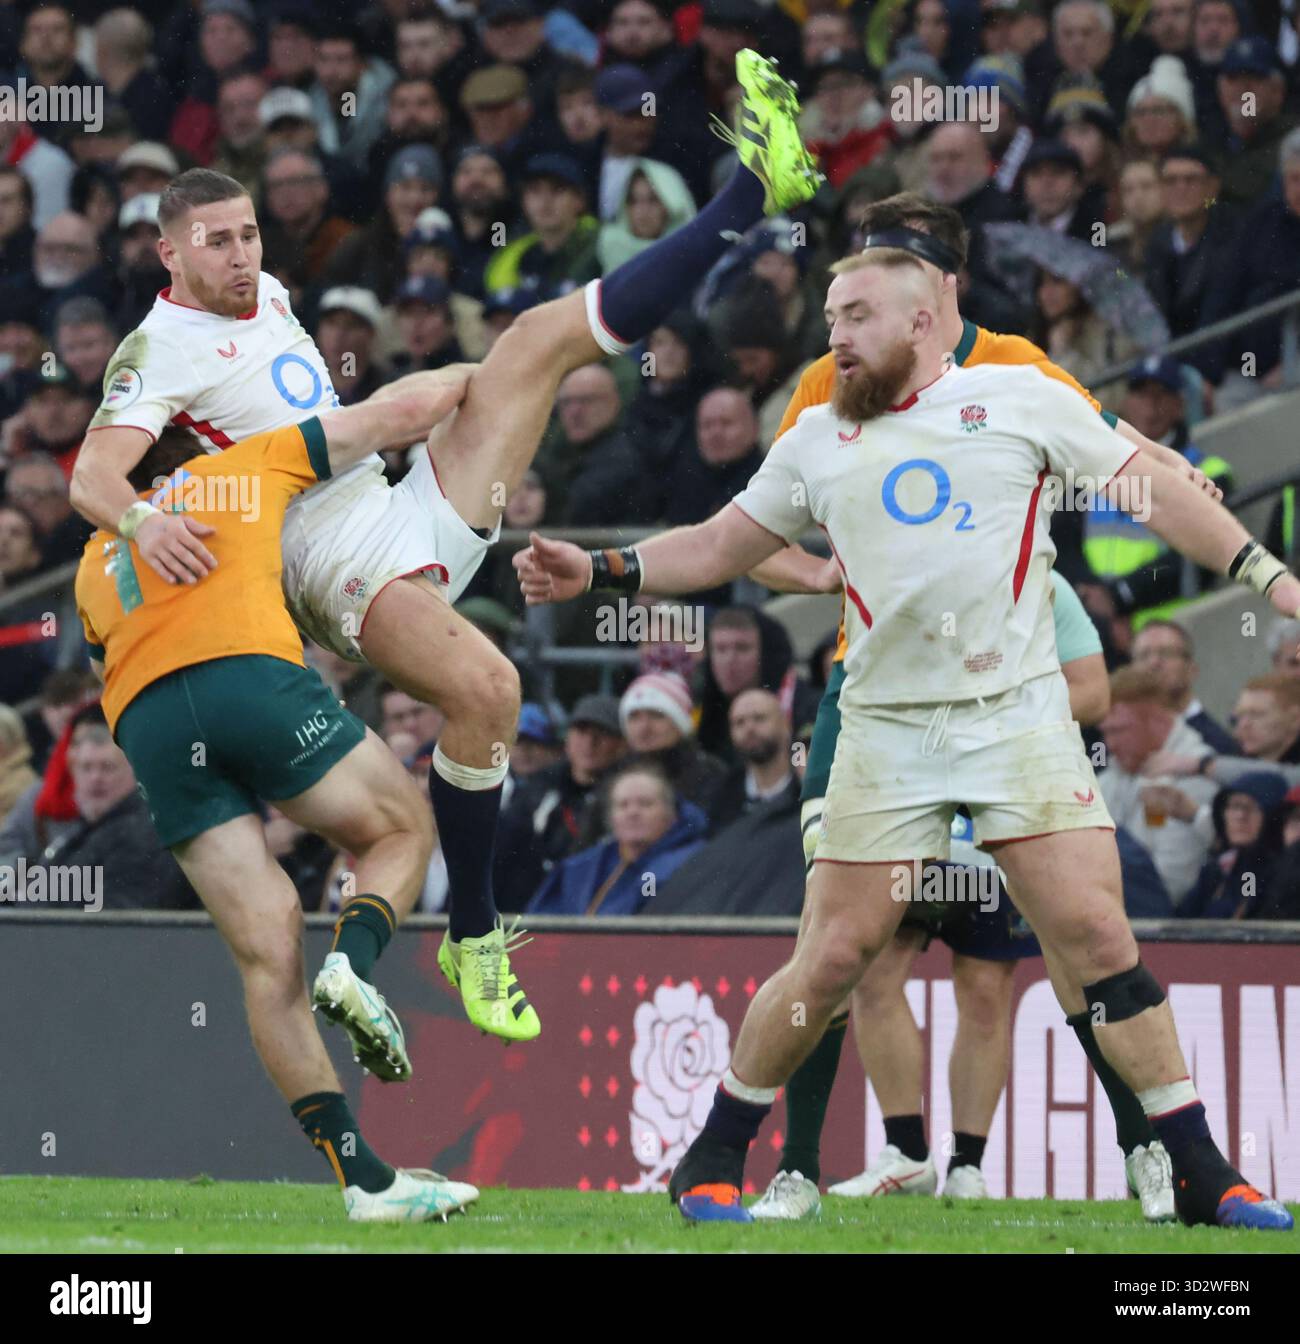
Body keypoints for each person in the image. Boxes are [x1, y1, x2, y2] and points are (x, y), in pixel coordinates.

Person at [513, 244, 1298, 1230]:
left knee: (1097, 936)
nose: (834, 335)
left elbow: (1155, 489)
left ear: (922, 320)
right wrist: (602, 573)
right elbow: (720, 545)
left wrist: (1270, 579)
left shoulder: (1020, 398)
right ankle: (712, 1158)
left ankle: (1198, 1171)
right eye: (830, 316)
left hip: (1016, 714)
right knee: (834, 956)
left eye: (855, 316)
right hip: (887, 729)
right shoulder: (812, 439)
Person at [71, 49, 819, 1040]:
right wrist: (143, 518)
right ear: (170, 254)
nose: (241, 256)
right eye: (215, 243)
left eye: (250, 234)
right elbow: (89, 474)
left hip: (390, 503)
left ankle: (748, 195)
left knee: (536, 344)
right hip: (318, 557)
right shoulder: (156, 348)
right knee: (491, 690)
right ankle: (473, 935)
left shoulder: (273, 296)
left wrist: (422, 409)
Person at [76, 365, 482, 1219]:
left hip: (148, 723)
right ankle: (357, 963)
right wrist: (488, 372)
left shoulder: (91, 558)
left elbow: (102, 654)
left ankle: (363, 1181)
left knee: (266, 952)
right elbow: (394, 415)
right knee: (401, 827)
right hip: (245, 676)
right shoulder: (250, 459)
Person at [806, 572, 1165, 1215]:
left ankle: (967, 1164)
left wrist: (993, 701)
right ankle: (905, 1152)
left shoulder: (1046, 584)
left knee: (984, 984)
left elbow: (1093, 693)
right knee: (875, 967)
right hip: (910, 799)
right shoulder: (913, 573)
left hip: (1000, 805)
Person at [494, 693, 627, 911]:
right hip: (529, 905)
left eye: (601, 734)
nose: (589, 743)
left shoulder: (628, 796)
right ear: (568, 739)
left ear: (621, 744)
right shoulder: (538, 789)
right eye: (581, 732)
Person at [1098, 666, 1219, 905]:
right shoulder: (1109, 779)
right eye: (1105, 733)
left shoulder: (1194, 781)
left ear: (1159, 722)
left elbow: (1173, 883)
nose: (1110, 744)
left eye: (1120, 730)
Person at [526, 762, 708, 915]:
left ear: (671, 814)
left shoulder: (693, 861)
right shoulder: (583, 866)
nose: (633, 812)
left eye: (645, 803)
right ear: (611, 817)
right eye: (623, 805)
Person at [1178, 772, 1290, 918]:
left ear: (1273, 815)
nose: (1240, 816)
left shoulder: (1273, 873)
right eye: (1234, 806)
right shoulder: (1219, 868)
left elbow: (1242, 917)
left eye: (1252, 807)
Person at [1129, 619, 1238, 753]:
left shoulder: (1218, 745)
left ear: (1191, 669)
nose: (1153, 663)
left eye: (1165, 653)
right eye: (1143, 656)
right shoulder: (1117, 738)